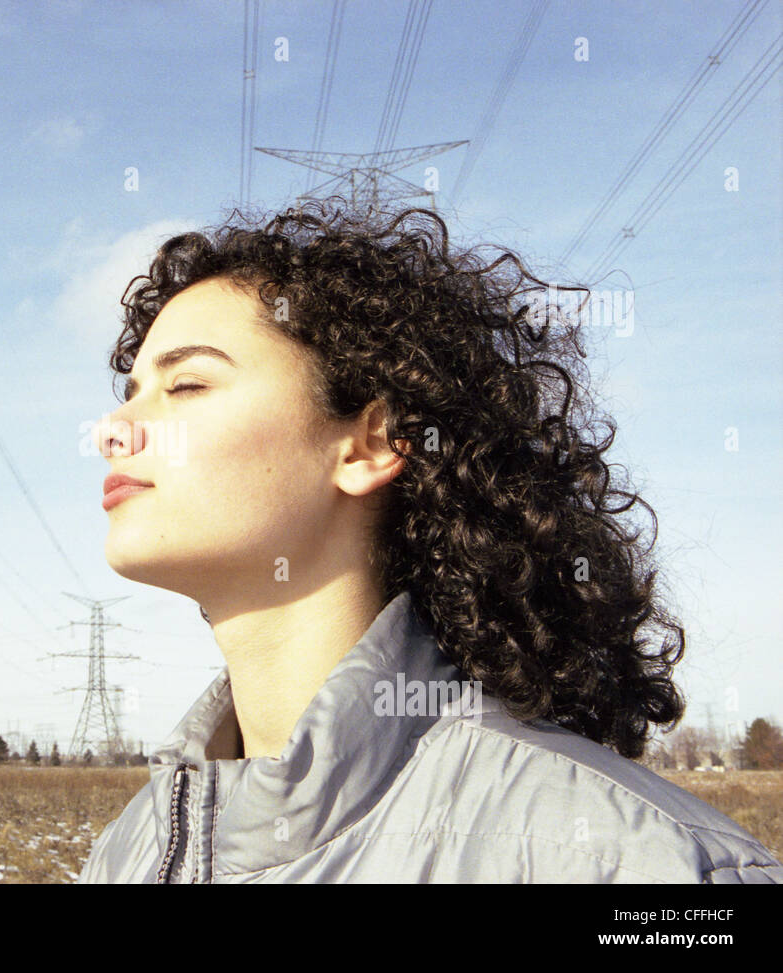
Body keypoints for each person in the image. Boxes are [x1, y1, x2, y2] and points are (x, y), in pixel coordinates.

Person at [77, 197, 782, 883]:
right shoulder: (123, 855)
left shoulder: (640, 865)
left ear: (366, 445)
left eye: (188, 384)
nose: (114, 429)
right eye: (131, 390)